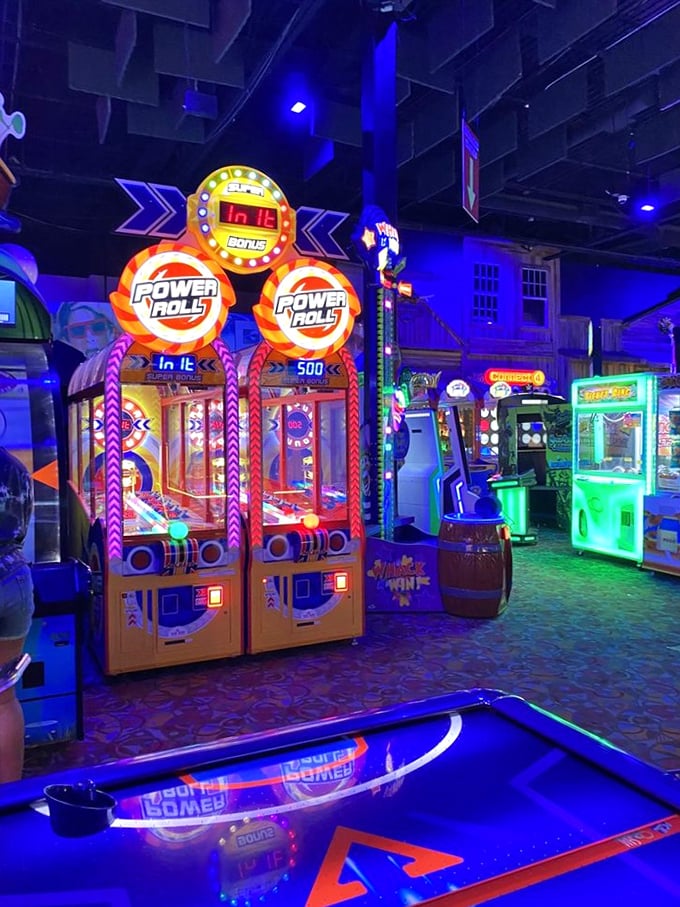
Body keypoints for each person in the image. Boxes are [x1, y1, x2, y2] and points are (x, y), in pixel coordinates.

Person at [0, 447, 34, 783]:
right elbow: (23, 526)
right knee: (3, 698)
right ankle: (8, 798)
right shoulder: (13, 465)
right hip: (14, 578)